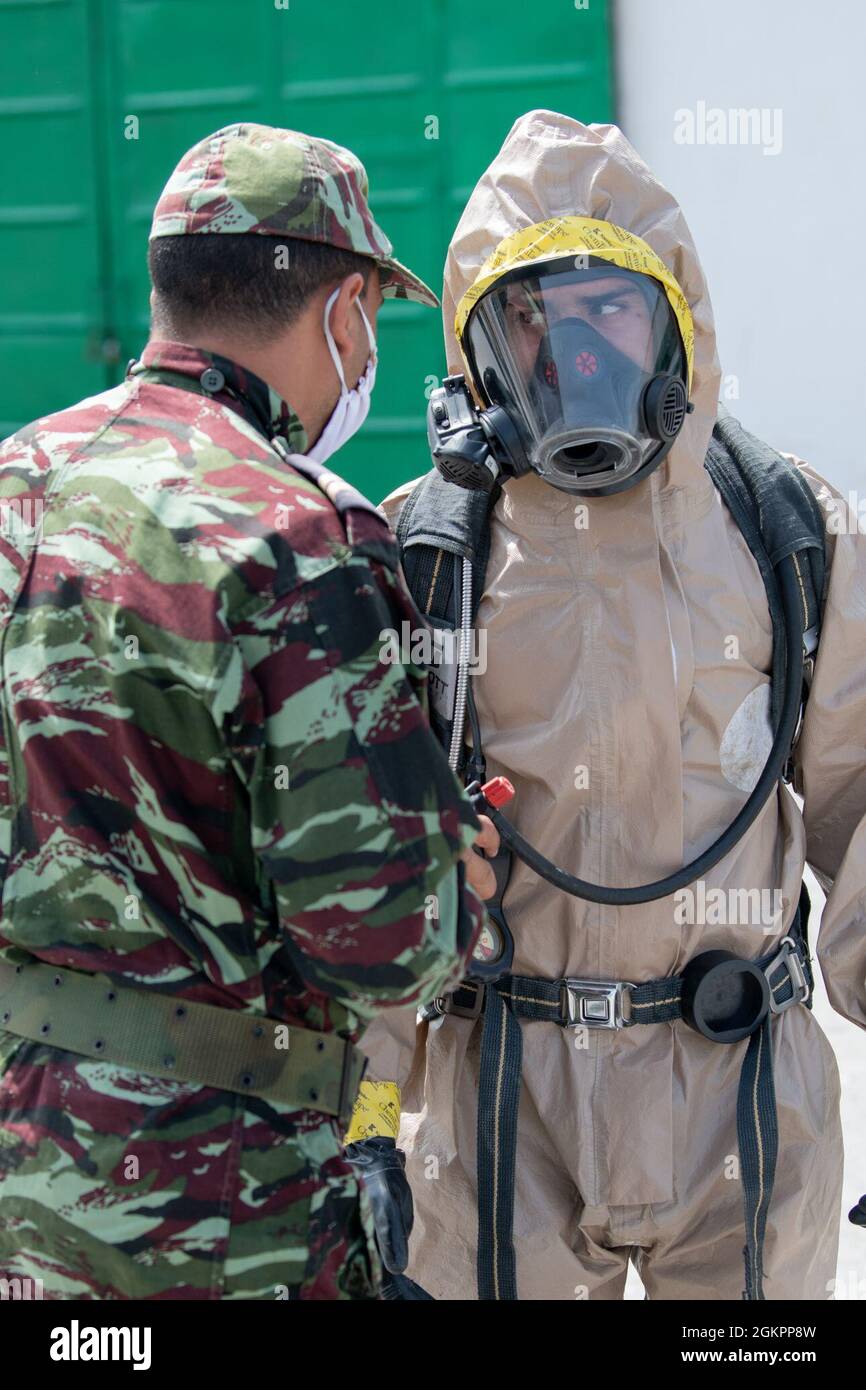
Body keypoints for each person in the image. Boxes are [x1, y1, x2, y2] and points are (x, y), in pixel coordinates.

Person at [359, 110, 866, 1300]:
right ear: (477, 351)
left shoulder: (783, 528)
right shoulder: (422, 553)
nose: (574, 351)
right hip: (500, 1114)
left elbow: (855, 798)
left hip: (740, 1102)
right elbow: (375, 873)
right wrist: (365, 1126)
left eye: (607, 308)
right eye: (533, 319)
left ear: (672, 320)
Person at [0, 121, 498, 1300]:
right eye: (370, 318)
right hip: (226, 1202)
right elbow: (378, 943)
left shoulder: (18, 483)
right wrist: (459, 880)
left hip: (26, 1164)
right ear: (340, 310)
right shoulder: (302, 534)